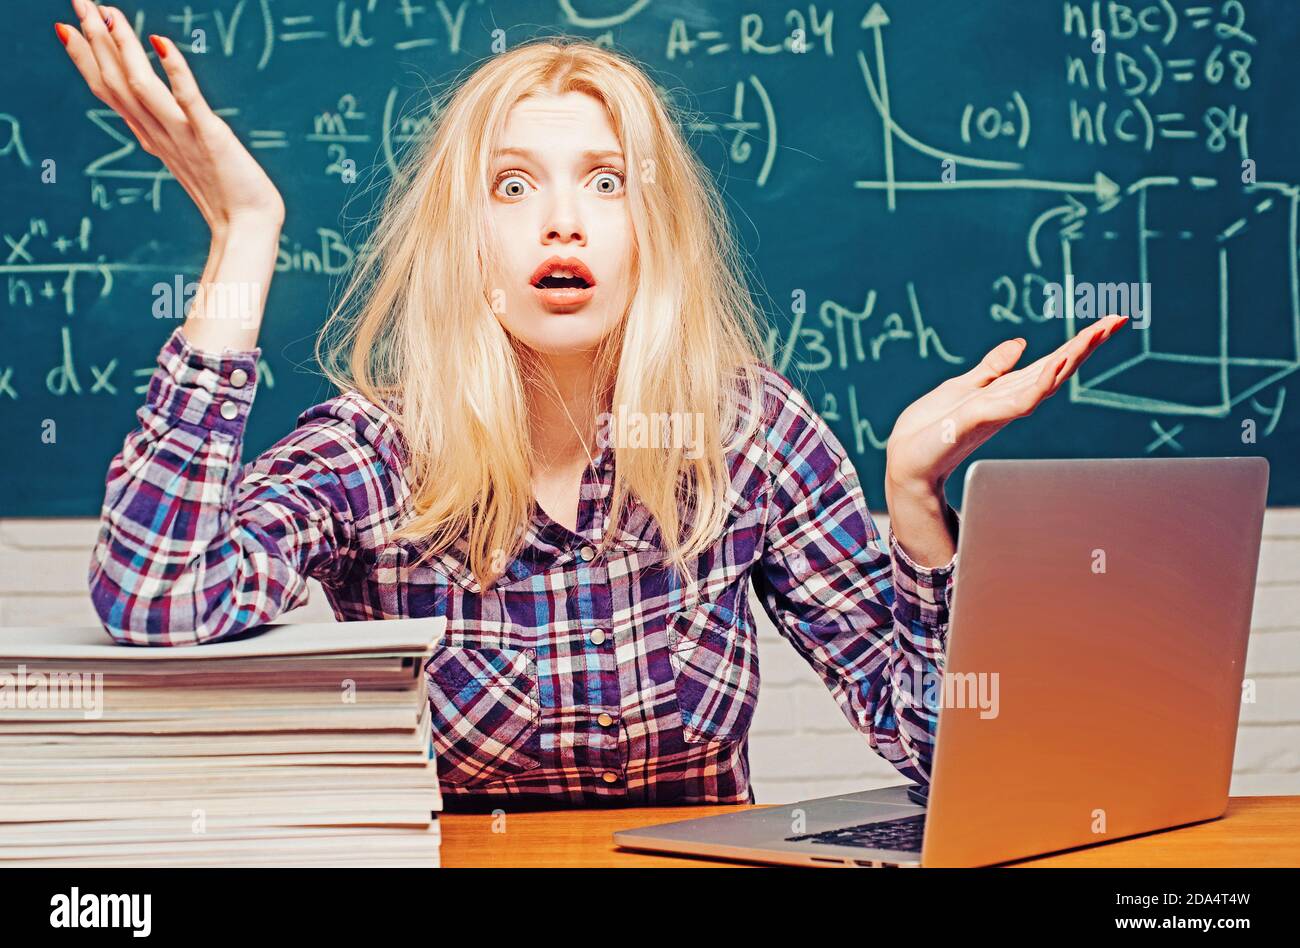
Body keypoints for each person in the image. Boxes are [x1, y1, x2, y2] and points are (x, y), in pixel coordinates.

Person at [62, 0, 1126, 808]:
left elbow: (950, 757)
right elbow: (161, 602)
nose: (561, 223)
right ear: (464, 238)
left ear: (649, 232)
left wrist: (913, 500)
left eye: (606, 183)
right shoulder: (375, 452)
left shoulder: (745, 435)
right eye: (513, 186)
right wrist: (244, 237)